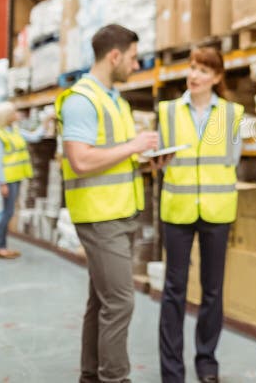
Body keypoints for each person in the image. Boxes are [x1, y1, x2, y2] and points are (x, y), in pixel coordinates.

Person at [55, 24, 171, 383]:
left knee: (102, 302)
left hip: (119, 212)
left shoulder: (115, 100)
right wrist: (134, 146)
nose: (136, 65)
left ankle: (91, 376)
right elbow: (82, 160)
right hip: (99, 216)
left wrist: (143, 160)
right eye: (134, 58)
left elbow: (110, 155)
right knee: (120, 302)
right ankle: (115, 379)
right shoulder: (81, 100)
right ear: (115, 55)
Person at [157, 47, 243, 383]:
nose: (195, 75)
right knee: (174, 290)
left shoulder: (232, 114)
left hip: (216, 211)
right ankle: (172, 371)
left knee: (212, 291)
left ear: (217, 78)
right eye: (192, 68)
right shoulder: (167, 112)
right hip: (177, 210)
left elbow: (232, 159)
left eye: (204, 70)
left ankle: (207, 362)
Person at [0, 102, 50, 258]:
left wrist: (46, 121)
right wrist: (2, 183)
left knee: (9, 211)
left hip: (16, 177)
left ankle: (1, 245)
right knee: (8, 212)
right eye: (14, 112)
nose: (18, 114)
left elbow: (35, 137)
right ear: (7, 116)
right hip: (8, 180)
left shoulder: (15, 131)